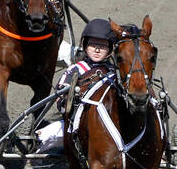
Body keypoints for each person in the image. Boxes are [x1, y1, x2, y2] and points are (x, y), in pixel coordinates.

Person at [33, 19, 116, 154]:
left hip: (109, 126)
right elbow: (60, 102)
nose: (96, 49)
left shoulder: (114, 73)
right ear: (84, 45)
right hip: (77, 124)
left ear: (110, 48)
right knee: (43, 137)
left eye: (102, 45)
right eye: (93, 44)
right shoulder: (76, 69)